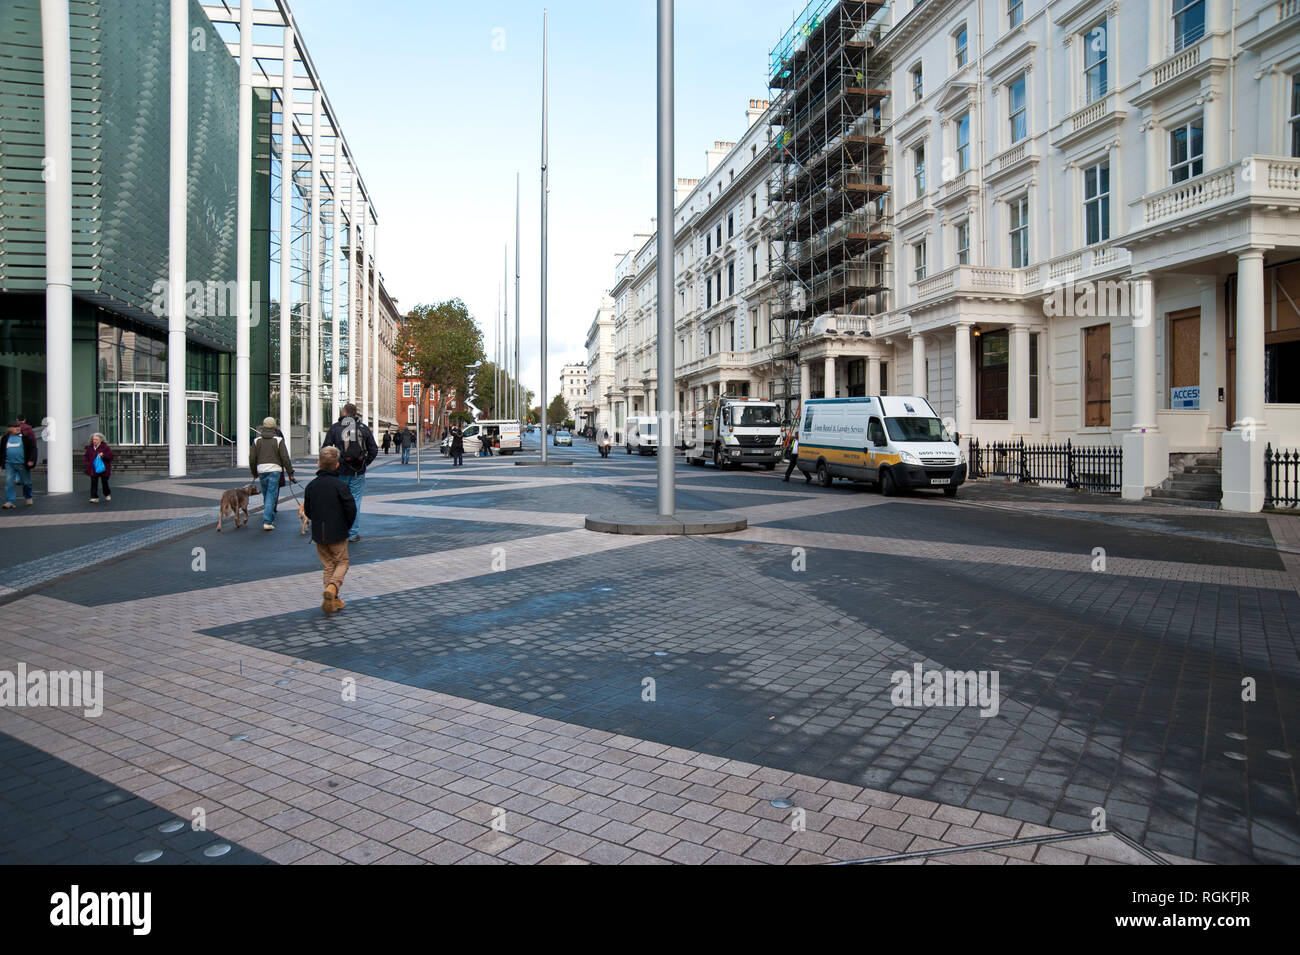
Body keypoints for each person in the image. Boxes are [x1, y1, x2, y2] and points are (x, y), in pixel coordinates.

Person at [304, 446, 356, 616]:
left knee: (328, 565)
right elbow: (351, 509)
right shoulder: (340, 486)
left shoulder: (311, 486)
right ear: (337, 466)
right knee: (342, 563)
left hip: (319, 532)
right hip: (337, 531)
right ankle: (333, 588)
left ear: (318, 464)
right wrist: (347, 526)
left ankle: (333, 600)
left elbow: (308, 511)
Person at [322, 402, 377, 542]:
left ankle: (339, 531)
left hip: (339, 471)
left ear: (344, 413)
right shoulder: (363, 428)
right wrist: (365, 462)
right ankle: (353, 533)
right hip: (358, 471)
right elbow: (373, 449)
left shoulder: (335, 428)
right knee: (355, 501)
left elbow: (325, 449)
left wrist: (332, 465)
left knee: (338, 501)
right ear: (355, 414)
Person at [249, 416, 295, 530]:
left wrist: (254, 472)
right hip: (275, 470)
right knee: (271, 495)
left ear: (263, 426)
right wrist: (290, 472)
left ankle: (268, 515)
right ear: (274, 426)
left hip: (261, 470)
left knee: (266, 494)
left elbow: (252, 459)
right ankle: (267, 521)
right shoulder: (278, 440)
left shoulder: (256, 441)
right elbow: (285, 458)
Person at [3, 423, 36, 509]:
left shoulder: (25, 438)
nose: (17, 428)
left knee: (26, 482)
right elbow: (2, 450)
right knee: (8, 482)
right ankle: (10, 501)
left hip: (22, 464)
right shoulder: (5, 438)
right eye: (15, 427)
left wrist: (31, 460)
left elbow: (33, 449)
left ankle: (28, 497)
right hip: (9, 464)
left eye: (18, 427)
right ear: (9, 429)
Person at [83, 433, 114, 503]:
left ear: (100, 440)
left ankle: (107, 494)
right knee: (93, 482)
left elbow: (111, 457)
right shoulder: (90, 448)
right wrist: (87, 465)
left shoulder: (105, 447)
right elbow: (86, 457)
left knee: (104, 482)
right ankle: (94, 497)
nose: (94, 441)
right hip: (93, 468)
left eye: (96, 439)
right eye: (93, 439)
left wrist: (103, 455)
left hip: (104, 468)